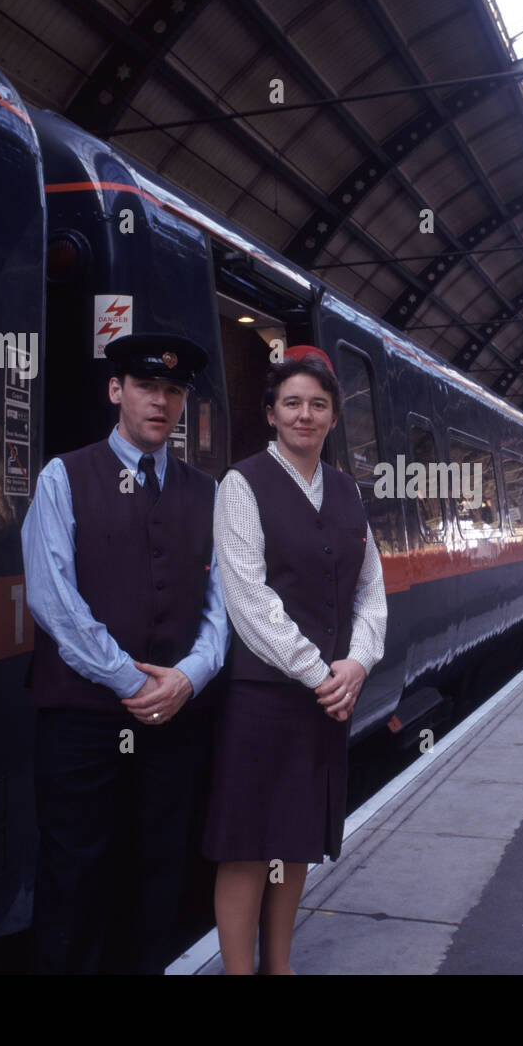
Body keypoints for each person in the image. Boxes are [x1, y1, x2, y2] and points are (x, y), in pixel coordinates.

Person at [21, 332, 230, 975]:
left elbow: (223, 609)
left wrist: (189, 678)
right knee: (74, 874)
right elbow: (53, 599)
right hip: (82, 719)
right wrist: (129, 682)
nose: (160, 401)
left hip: (174, 719)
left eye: (173, 391)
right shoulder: (64, 476)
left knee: (158, 872)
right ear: (117, 392)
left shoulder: (210, 492)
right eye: (146, 387)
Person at [203, 347, 387, 975]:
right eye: (292, 404)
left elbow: (370, 592)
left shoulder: (346, 492)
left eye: (317, 405)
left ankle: (279, 967)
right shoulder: (242, 485)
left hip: (327, 694)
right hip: (263, 696)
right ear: (271, 415)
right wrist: (322, 673)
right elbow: (248, 598)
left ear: (333, 418)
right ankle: (239, 971)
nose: (304, 415)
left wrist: (358, 662)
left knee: (295, 840)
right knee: (248, 845)